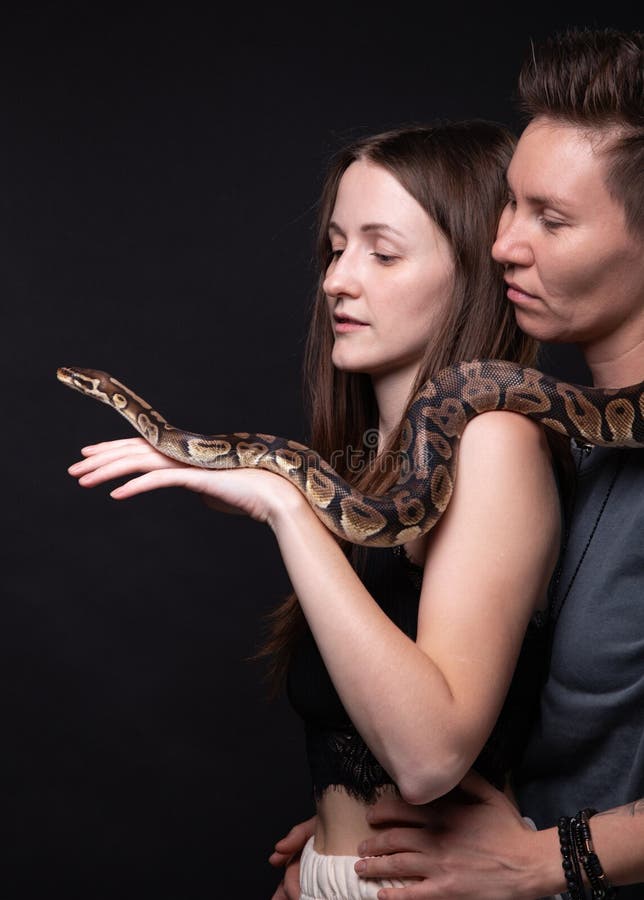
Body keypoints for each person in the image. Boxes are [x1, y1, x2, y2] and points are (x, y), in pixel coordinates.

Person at [67, 122, 565, 898]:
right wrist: (324, 864)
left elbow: (429, 757)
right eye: (336, 248)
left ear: (472, 272)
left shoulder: (495, 443)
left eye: (382, 251)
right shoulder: (370, 463)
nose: (337, 279)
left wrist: (284, 506)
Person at [271, 26, 644, 900]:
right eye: (509, 205)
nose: (503, 243)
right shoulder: (561, 437)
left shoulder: (512, 439)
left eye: (549, 219)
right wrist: (349, 842)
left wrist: (554, 859)